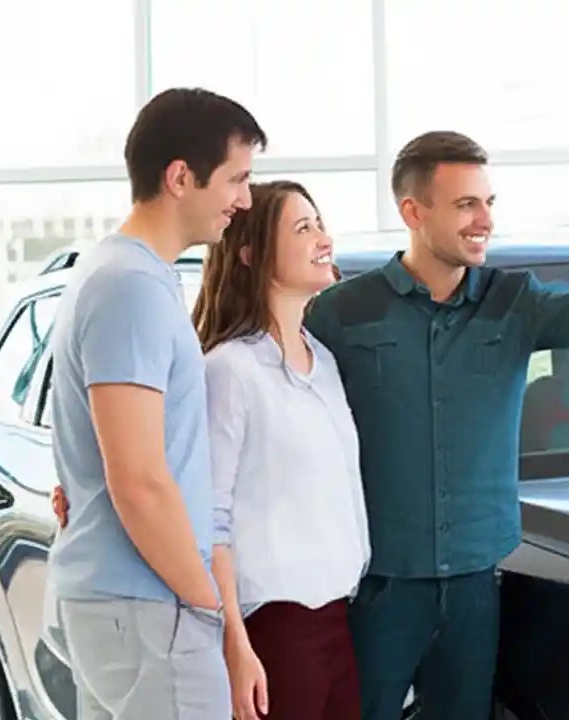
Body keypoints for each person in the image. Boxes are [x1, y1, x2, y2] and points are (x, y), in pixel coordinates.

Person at [303, 129, 569, 719]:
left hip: (477, 585)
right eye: (465, 204)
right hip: (376, 584)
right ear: (414, 211)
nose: (484, 219)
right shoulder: (341, 311)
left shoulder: (515, 302)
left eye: (488, 202)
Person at [47, 87, 266, 719]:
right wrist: (206, 608)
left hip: (132, 603)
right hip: (152, 606)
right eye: (235, 179)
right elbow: (139, 480)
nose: (244, 201)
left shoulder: (124, 275)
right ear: (180, 177)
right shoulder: (132, 287)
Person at [193, 179, 370, 720]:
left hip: (337, 621)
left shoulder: (324, 361)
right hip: (274, 630)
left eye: (319, 223)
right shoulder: (229, 370)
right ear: (250, 254)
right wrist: (236, 645)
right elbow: (210, 518)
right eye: (303, 227)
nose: (324, 237)